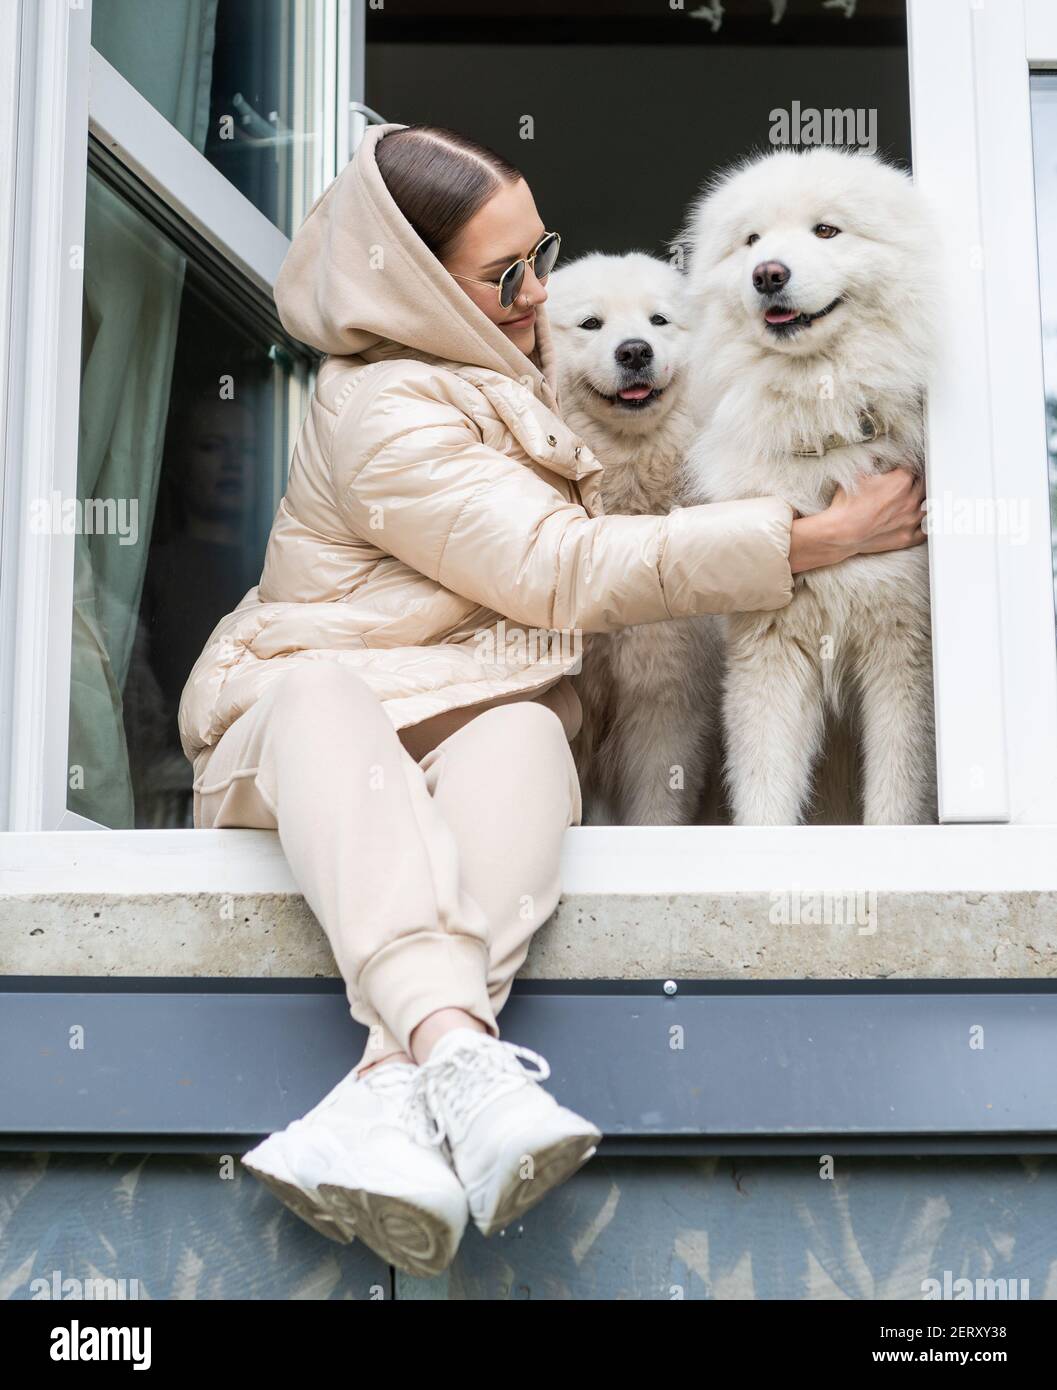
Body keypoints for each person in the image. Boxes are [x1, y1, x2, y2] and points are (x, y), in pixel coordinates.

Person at [177, 124, 927, 1278]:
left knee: (532, 727)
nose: (536, 295)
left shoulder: (514, 380)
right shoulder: (383, 408)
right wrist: (806, 535)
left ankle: (391, 1091)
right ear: (418, 282)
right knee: (323, 691)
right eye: (504, 275)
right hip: (305, 736)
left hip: (469, 719)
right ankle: (457, 1051)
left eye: (541, 259)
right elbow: (558, 565)